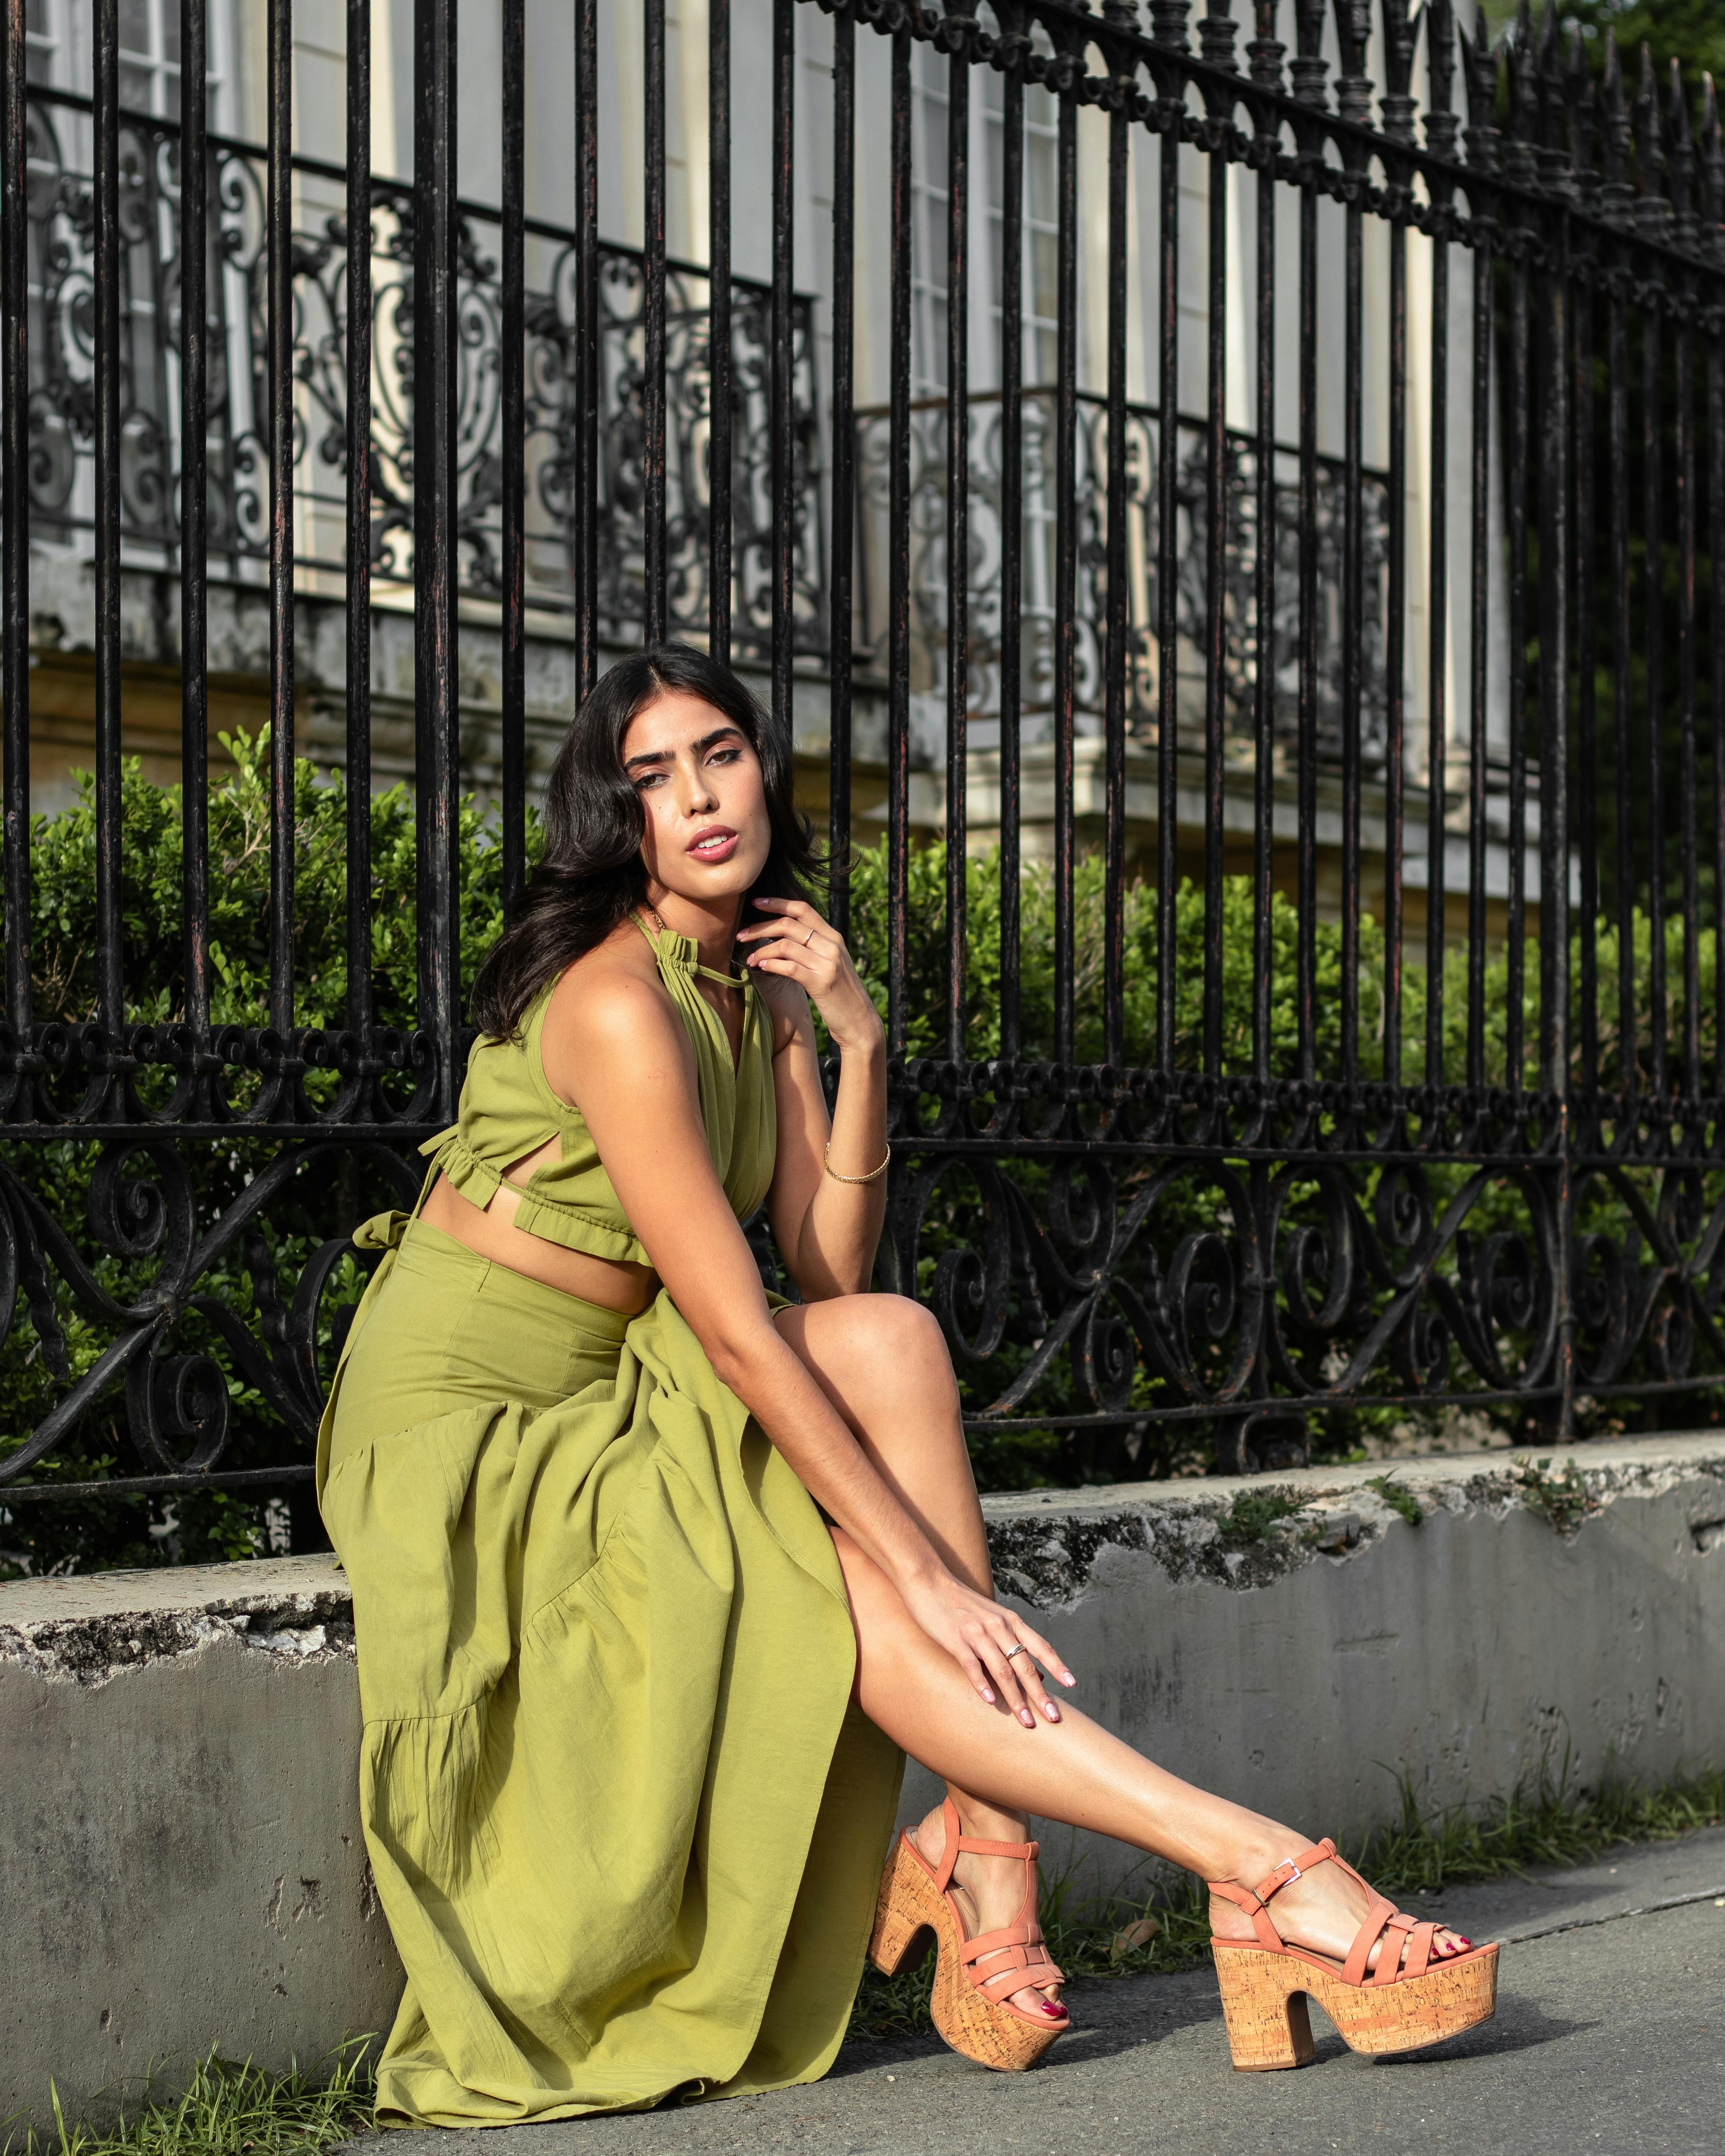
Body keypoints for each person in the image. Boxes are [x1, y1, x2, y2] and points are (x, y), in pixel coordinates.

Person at [315, 642, 1496, 2125]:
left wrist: (852, 1033)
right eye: (652, 777)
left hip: (619, 1377)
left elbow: (826, 1270)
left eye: (720, 755)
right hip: (474, 1418)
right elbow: (743, 1331)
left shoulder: (755, 983)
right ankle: (1230, 1868)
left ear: (764, 771)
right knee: (863, 1566)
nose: (697, 797)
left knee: (895, 1338)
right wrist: (930, 1578)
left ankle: (1018, 1847)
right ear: (615, 819)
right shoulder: (618, 1000)